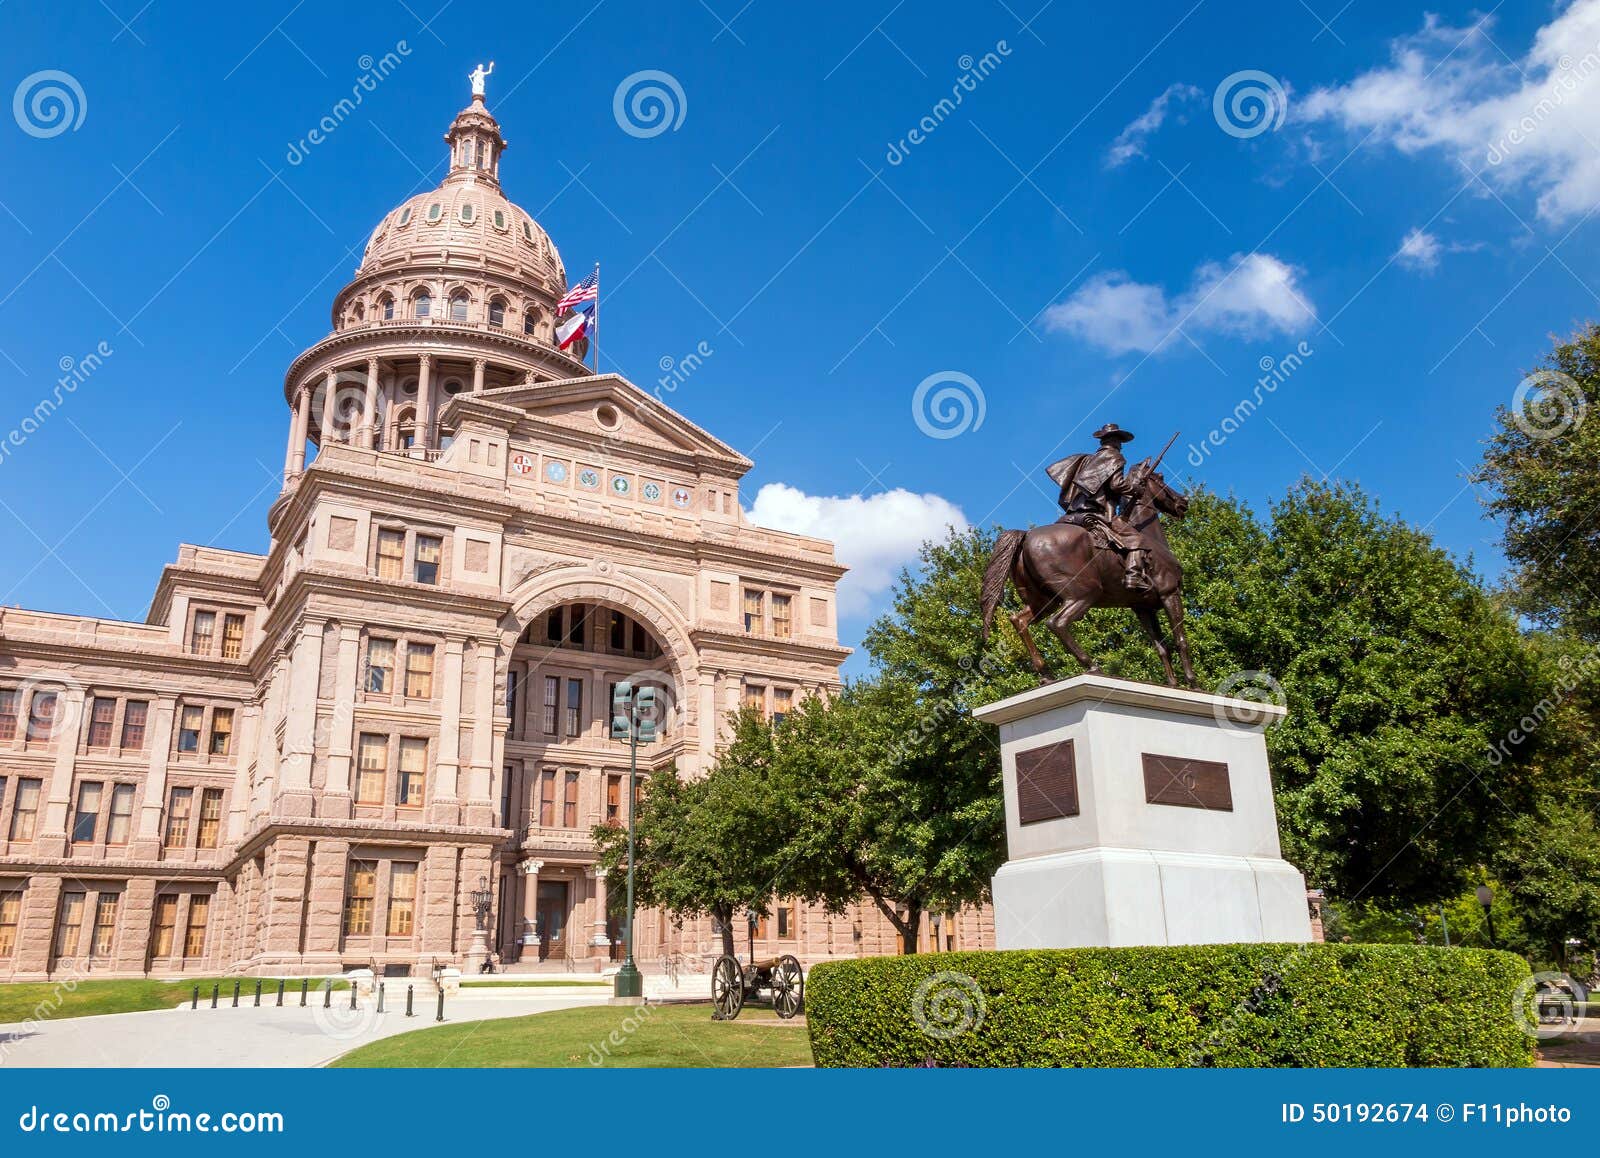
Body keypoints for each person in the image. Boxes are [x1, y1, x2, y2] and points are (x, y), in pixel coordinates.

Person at [1045, 423, 1151, 592]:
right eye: (1120, 441)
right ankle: (1134, 576)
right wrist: (1135, 489)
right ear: (1114, 441)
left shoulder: (1088, 460)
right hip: (1095, 513)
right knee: (1138, 539)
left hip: (1074, 513)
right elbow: (1116, 485)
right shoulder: (1115, 456)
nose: (1121, 446)